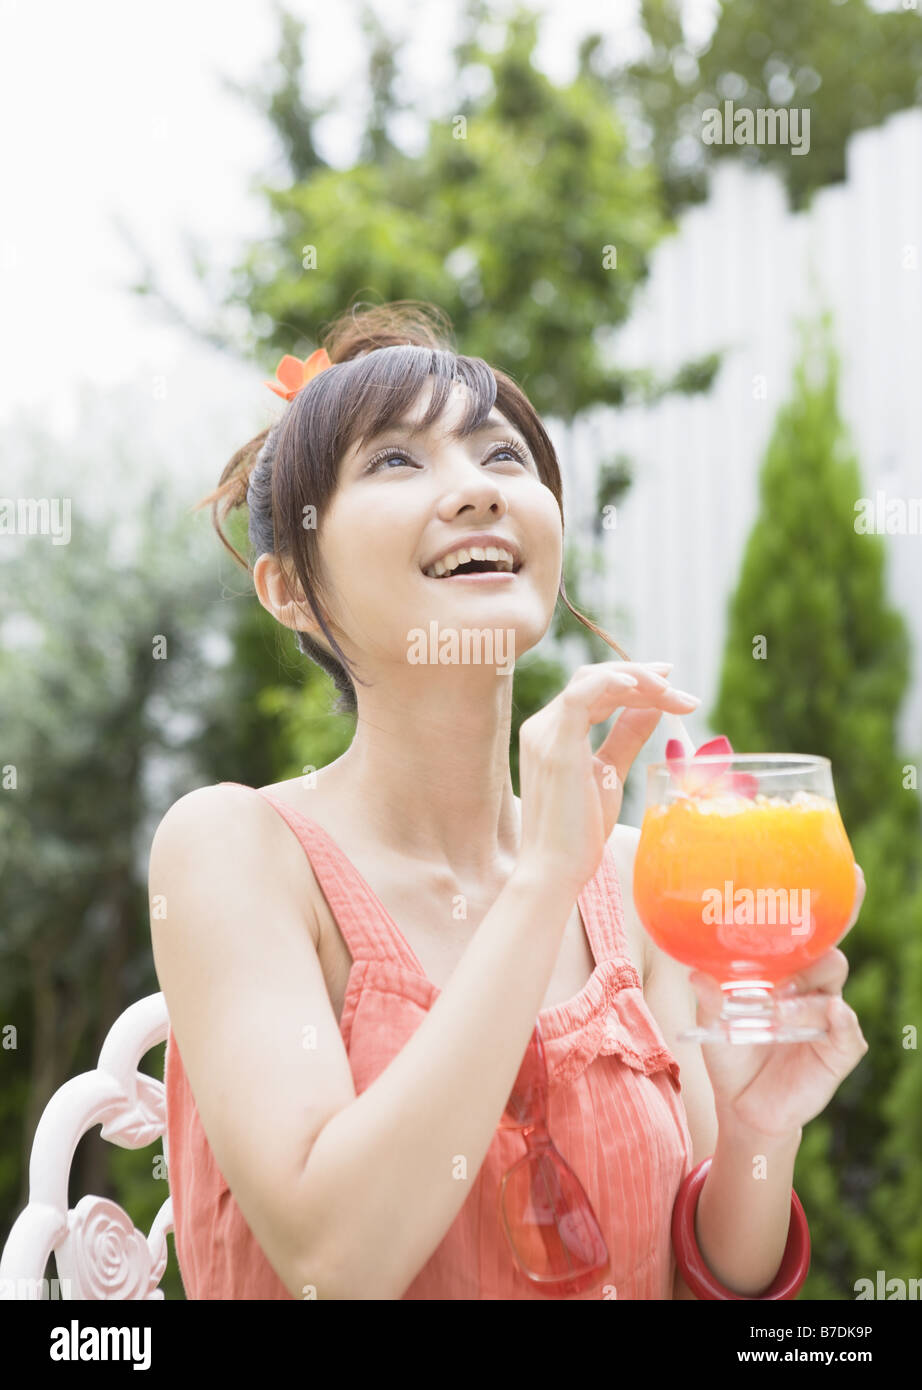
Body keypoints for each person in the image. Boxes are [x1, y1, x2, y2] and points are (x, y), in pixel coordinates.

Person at [149, 299, 867, 1301]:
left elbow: (713, 1278)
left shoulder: (628, 875)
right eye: (395, 462)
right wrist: (539, 883)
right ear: (290, 592)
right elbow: (334, 1261)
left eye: (501, 456)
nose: (476, 491)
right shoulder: (234, 850)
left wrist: (758, 1128)